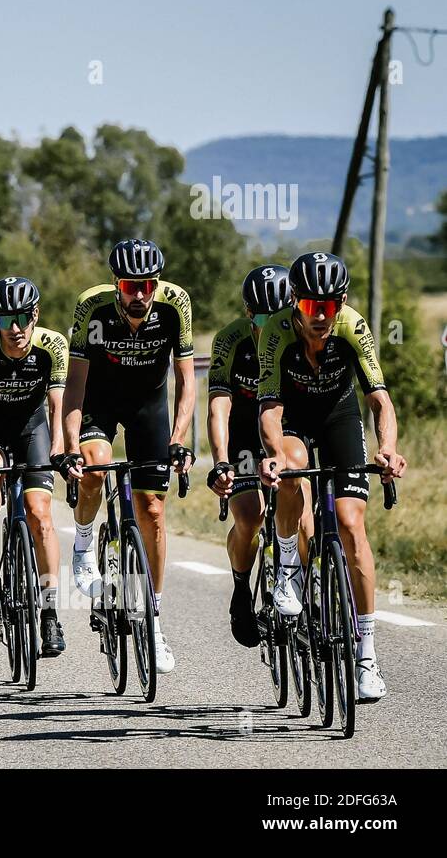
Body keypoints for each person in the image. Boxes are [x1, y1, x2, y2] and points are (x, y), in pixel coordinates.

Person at [256, 252, 407, 701]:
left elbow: (380, 400)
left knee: (350, 522)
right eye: (309, 307)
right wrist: (273, 454)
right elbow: (269, 407)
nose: (320, 317)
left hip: (340, 415)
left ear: (340, 303)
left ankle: (366, 655)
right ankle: (288, 569)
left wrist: (388, 449)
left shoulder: (352, 327)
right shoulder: (275, 333)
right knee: (293, 465)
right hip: (294, 419)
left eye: (328, 307)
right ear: (295, 302)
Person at [61, 239, 195, 674]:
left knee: (152, 509)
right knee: (97, 467)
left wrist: (178, 438)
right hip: (100, 401)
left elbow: (186, 379)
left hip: (148, 406)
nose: (138, 294)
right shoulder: (91, 307)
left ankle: (153, 619)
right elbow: (75, 383)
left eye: (146, 285)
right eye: (128, 285)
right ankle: (83, 544)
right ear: (115, 283)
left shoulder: (176, 305)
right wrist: (67, 446)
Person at [0, 278, 69, 654]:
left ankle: (51, 613)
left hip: (32, 430)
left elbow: (57, 403)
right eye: (6, 320)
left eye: (23, 318)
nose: (16, 328)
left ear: (35, 314)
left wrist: (59, 450)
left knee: (40, 516)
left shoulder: (53, 345)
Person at [205, 265, 293, 646]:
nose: (269, 325)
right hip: (243, 431)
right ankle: (242, 589)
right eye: (261, 317)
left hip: (289, 430)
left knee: (303, 517)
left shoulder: (301, 336)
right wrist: (221, 461)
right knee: (250, 516)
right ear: (247, 313)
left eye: (277, 316)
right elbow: (219, 407)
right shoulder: (230, 341)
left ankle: (308, 592)